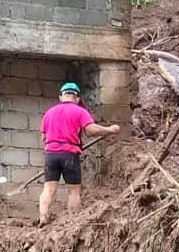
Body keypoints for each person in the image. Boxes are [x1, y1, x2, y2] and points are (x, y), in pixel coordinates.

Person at [38, 83, 121, 226]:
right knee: (74, 191)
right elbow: (91, 130)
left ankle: (43, 217)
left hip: (51, 155)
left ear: (61, 96)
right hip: (69, 154)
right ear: (77, 98)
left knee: (49, 189)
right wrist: (110, 130)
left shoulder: (49, 113)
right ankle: (74, 222)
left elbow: (43, 138)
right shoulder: (80, 111)